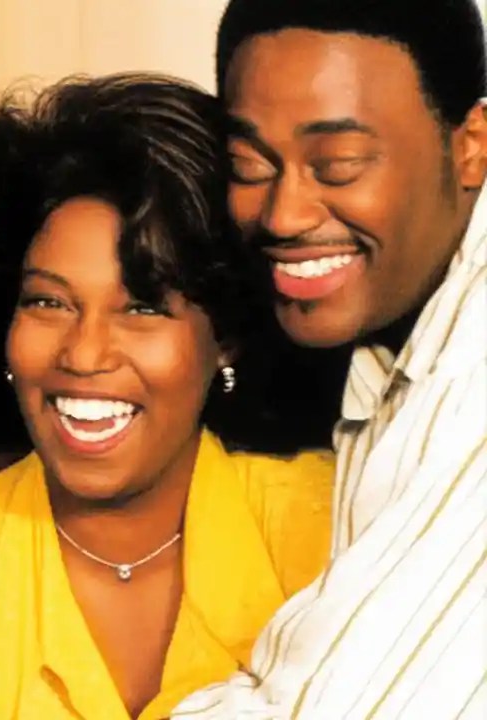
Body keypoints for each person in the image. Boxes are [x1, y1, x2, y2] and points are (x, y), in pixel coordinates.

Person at [0, 73, 335, 720]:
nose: (84, 354)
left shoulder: (335, 532)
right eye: (48, 302)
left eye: (143, 308)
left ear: (226, 338)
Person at [173, 0, 487, 716]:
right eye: (249, 165)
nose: (283, 214)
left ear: (471, 144)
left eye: (339, 165)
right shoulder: (387, 321)